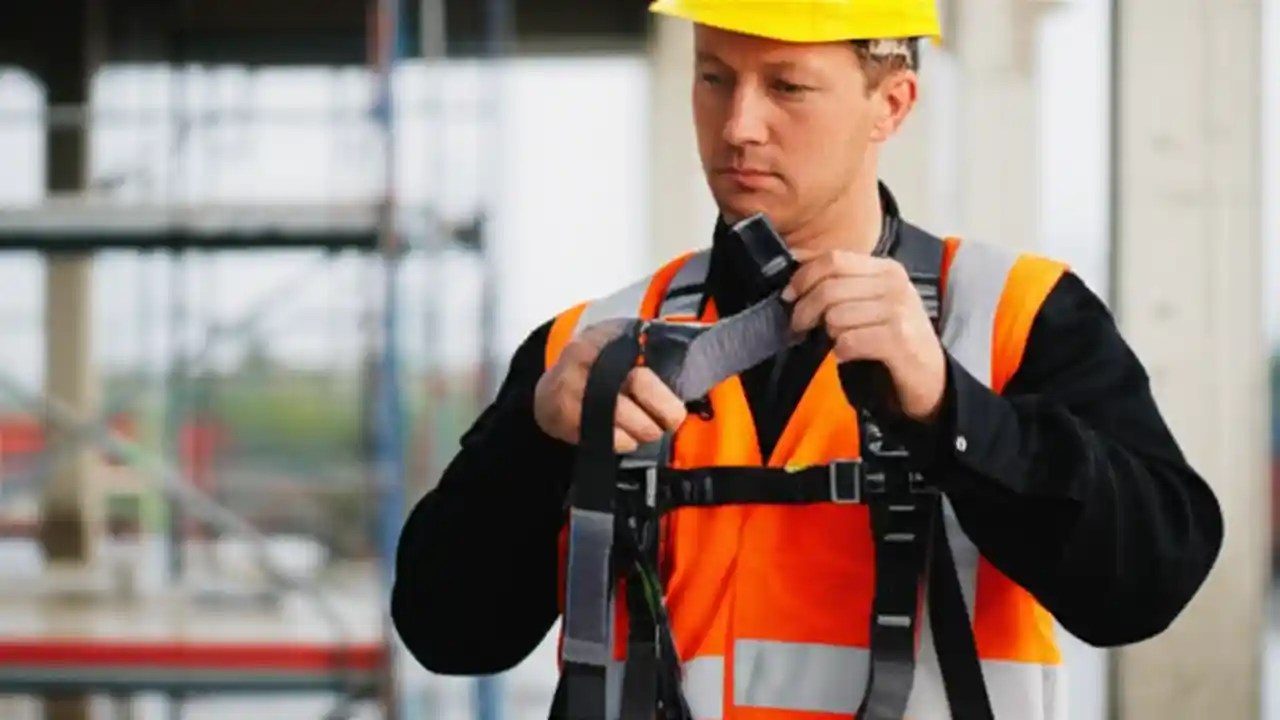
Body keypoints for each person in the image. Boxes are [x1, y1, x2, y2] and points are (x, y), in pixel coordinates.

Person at [391, 1, 1223, 718]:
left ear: (890, 105)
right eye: (714, 76)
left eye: (786, 86)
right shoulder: (591, 340)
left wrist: (953, 411)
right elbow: (446, 632)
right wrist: (536, 445)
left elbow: (1146, 586)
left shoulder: (1015, 315)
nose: (738, 125)